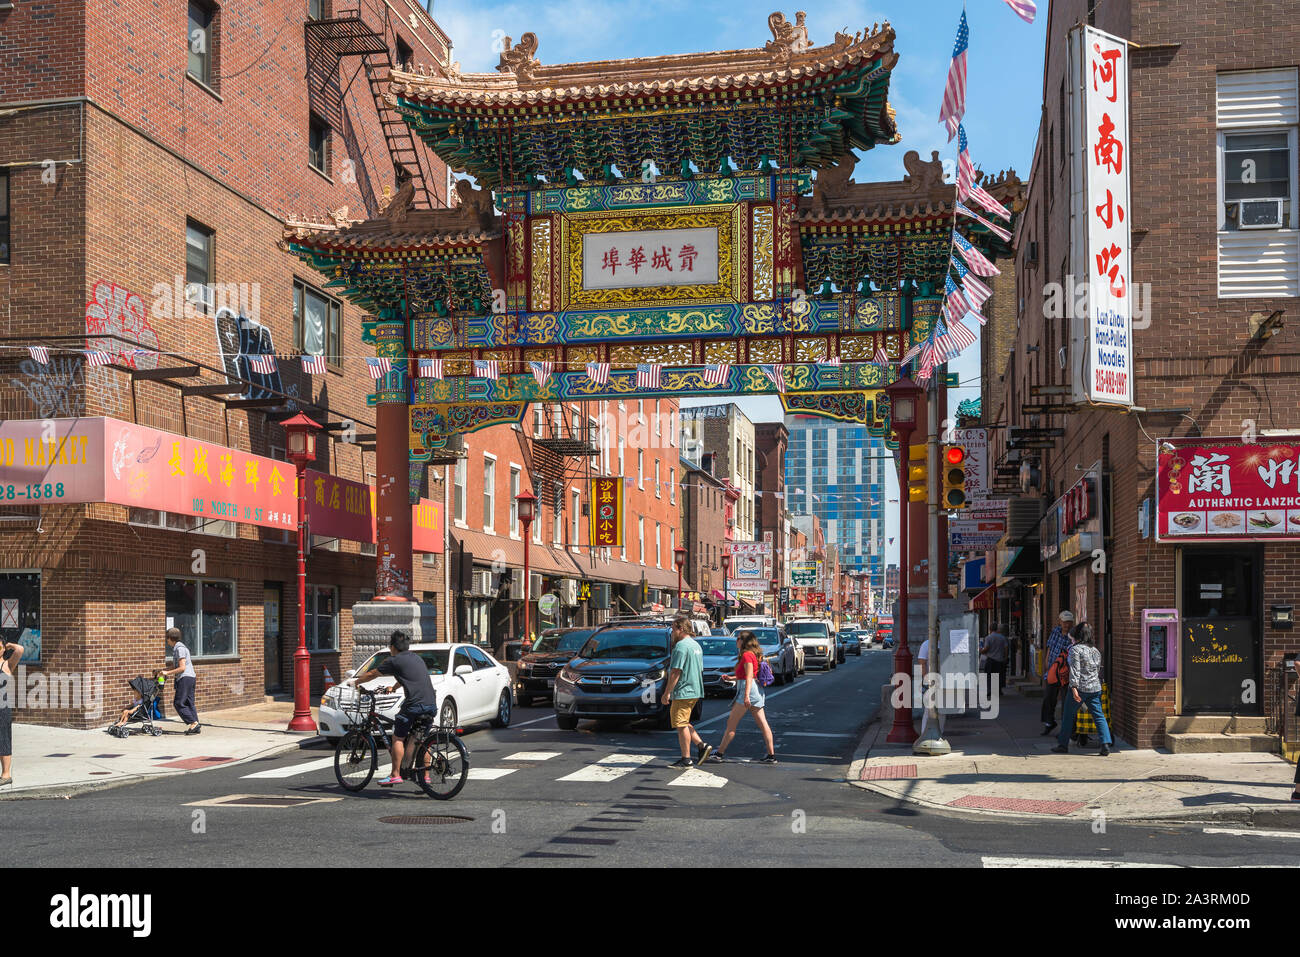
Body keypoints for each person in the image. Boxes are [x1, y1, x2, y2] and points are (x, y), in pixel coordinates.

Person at [348, 630, 437, 787]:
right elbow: (409, 677)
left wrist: (356, 682)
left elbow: (372, 673)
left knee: (398, 737)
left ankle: (395, 774)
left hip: (414, 705)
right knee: (421, 740)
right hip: (430, 704)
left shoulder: (394, 660)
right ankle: (426, 776)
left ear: (392, 647)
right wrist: (394, 687)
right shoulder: (416, 658)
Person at [708, 631, 777, 764]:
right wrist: (731, 677)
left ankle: (719, 753)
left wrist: (746, 696)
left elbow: (749, 676)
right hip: (756, 691)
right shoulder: (752, 655)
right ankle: (771, 755)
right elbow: (748, 675)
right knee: (763, 724)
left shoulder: (746, 655)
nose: (736, 641)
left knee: (731, 723)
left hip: (748, 691)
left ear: (744, 641)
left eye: (738, 639)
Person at [1051, 622, 1112, 755]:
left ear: (1077, 634)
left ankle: (1063, 744)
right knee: (1099, 716)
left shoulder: (1074, 650)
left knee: (1068, 715)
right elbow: (1097, 670)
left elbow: (1075, 670)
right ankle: (1105, 744)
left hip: (1079, 688)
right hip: (1095, 687)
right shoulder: (1095, 650)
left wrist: (1073, 688)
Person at [660, 616, 711, 768]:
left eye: (673, 629)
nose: (672, 632)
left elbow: (676, 672)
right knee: (683, 721)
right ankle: (701, 745)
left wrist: (666, 692)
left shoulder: (681, 647)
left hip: (684, 690)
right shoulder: (696, 645)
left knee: (680, 725)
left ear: (681, 629)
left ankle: (686, 759)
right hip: (695, 689)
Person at [156, 628, 200, 734]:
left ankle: (193, 723)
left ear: (171, 638)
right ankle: (195, 725)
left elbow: (182, 668)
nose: (167, 641)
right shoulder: (178, 648)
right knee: (189, 703)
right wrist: (165, 670)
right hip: (190, 678)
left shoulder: (180, 648)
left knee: (178, 703)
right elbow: (177, 665)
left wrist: (167, 674)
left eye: (167, 639)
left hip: (185, 678)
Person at [1041, 611, 1075, 735]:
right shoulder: (1055, 631)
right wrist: (1047, 664)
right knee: (1048, 698)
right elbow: (1049, 647)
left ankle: (1065, 729)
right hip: (1052, 670)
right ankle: (1049, 723)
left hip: (1065, 673)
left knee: (1066, 701)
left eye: (1069, 622)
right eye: (1064, 622)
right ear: (1059, 621)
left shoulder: (1074, 635)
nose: (1066, 624)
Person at [0, 639, 23, 787]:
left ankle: (6, 774)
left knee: (3, 738)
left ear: (3, 649)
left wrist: (9, 645)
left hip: (3, 708)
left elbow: (20, 649)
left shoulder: (7, 664)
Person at [980, 622, 1009, 695]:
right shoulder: (1002, 637)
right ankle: (998, 690)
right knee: (999, 675)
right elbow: (1006, 649)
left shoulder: (988, 638)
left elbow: (986, 648)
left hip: (990, 660)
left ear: (990, 629)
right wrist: (1005, 658)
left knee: (989, 676)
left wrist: (981, 651)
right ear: (997, 629)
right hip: (999, 660)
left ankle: (990, 690)